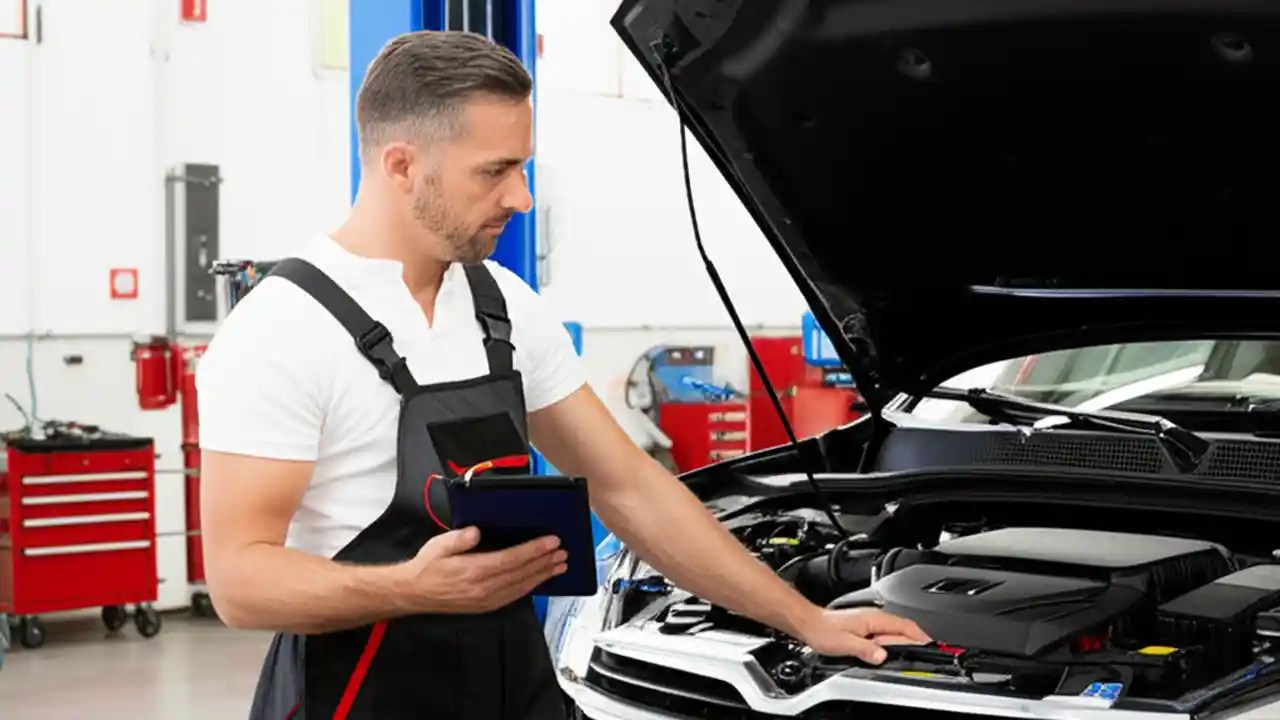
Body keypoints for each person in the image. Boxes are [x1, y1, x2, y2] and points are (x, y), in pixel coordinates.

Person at [196, 29, 929, 720]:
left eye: (522, 166)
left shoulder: (502, 307)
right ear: (400, 165)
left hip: (514, 687)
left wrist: (805, 620)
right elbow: (239, 581)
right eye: (495, 172)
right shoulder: (284, 329)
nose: (520, 197)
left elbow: (628, 488)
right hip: (359, 696)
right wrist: (410, 589)